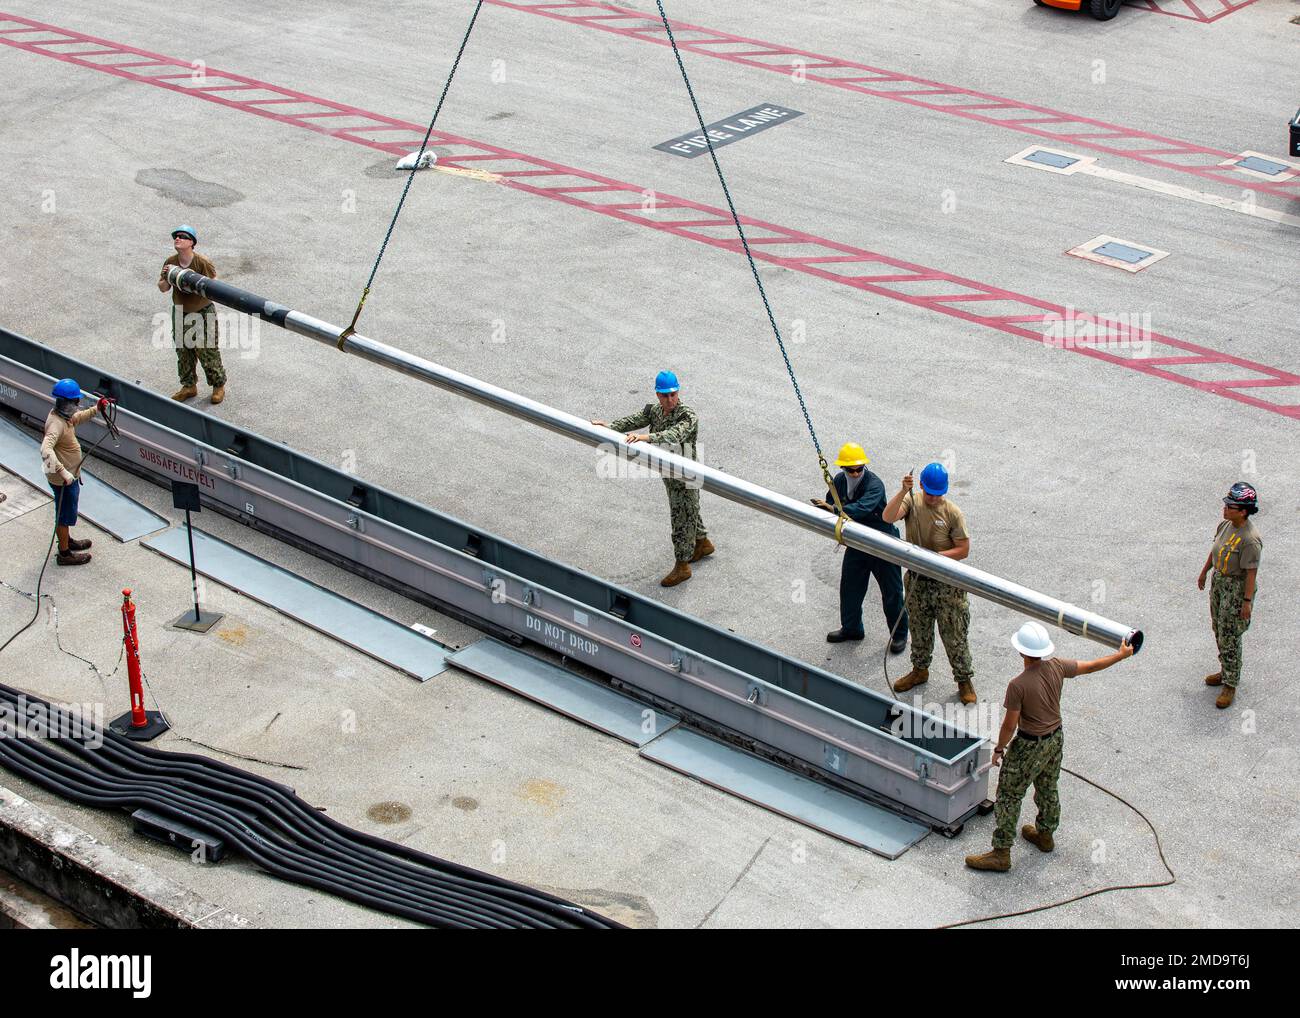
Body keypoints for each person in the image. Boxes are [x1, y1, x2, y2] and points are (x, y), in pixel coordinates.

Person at [965, 621, 1133, 872]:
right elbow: (1091, 666)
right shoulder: (1057, 666)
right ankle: (1045, 834)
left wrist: (1000, 748)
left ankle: (1001, 853)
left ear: (1021, 651)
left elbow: (1010, 725)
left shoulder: (1017, 685)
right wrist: (1120, 656)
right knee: (1047, 786)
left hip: (1029, 744)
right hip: (1055, 740)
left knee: (1010, 795)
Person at [591, 371, 713, 587]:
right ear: (658, 395)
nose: (670, 399)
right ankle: (702, 543)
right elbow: (635, 419)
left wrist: (645, 438)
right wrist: (609, 426)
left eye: (673, 394)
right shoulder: (655, 410)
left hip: (685, 472)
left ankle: (682, 566)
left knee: (680, 517)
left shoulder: (687, 416)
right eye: (665, 395)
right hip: (669, 471)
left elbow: (673, 435)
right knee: (689, 508)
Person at [882, 462, 975, 703]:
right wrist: (903, 491)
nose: (933, 499)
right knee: (920, 630)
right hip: (917, 581)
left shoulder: (952, 512)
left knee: (954, 634)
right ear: (921, 486)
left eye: (938, 494)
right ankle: (919, 670)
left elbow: (963, 549)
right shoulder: (913, 501)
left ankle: (964, 679)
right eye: (930, 493)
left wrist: (933, 558)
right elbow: (888, 516)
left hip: (946, 585)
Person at [811, 442, 908, 653]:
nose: (855, 473)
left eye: (859, 469)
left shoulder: (875, 485)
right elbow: (832, 502)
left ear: (864, 466)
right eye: (850, 469)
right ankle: (852, 628)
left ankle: (899, 635)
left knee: (892, 593)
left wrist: (834, 509)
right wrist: (829, 510)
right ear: (843, 469)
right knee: (850, 588)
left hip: (883, 543)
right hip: (857, 542)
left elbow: (861, 508)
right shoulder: (838, 481)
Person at [1198, 482, 1262, 709]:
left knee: (1230, 634)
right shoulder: (1225, 525)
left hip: (1236, 588)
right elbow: (1215, 549)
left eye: (1230, 506)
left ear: (1243, 511)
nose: (1225, 509)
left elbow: (1251, 573)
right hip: (1220, 582)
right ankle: (1225, 669)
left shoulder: (1250, 539)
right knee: (1218, 627)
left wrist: (1246, 602)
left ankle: (1231, 683)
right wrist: (1205, 571)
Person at [39, 378, 108, 566]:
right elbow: (45, 450)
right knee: (64, 515)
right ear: (68, 403)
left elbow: (76, 419)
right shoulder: (56, 423)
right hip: (63, 479)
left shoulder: (63, 416)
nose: (78, 405)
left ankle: (66, 540)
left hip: (69, 475)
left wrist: (97, 409)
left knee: (67, 512)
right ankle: (64, 553)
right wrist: (63, 473)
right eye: (76, 402)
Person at [157, 225, 227, 404]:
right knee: (183, 351)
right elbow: (163, 288)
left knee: (207, 350)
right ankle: (189, 386)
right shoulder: (171, 261)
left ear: (191, 242)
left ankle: (218, 385)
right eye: (176, 237)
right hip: (181, 312)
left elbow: (215, 286)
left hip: (203, 312)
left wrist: (195, 281)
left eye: (182, 236)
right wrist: (166, 276)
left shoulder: (201, 262)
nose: (177, 239)